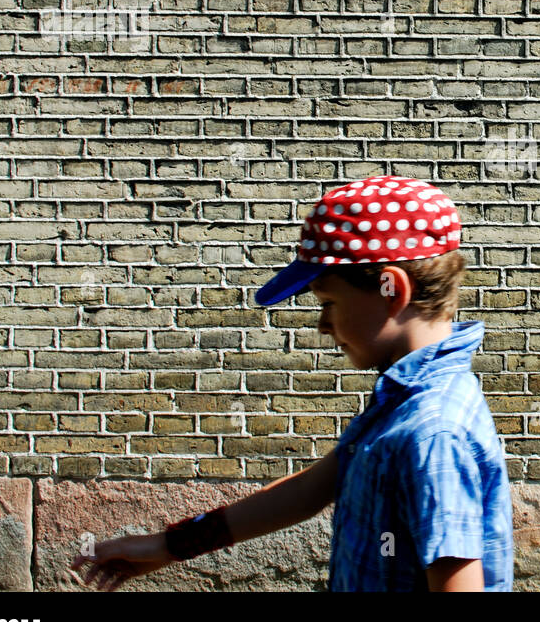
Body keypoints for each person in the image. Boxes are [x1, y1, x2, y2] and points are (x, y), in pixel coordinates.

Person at [71, 174, 513, 591]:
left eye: (329, 302)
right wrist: (167, 546)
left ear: (389, 290)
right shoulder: (401, 406)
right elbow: (307, 492)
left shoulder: (432, 431)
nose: (323, 325)